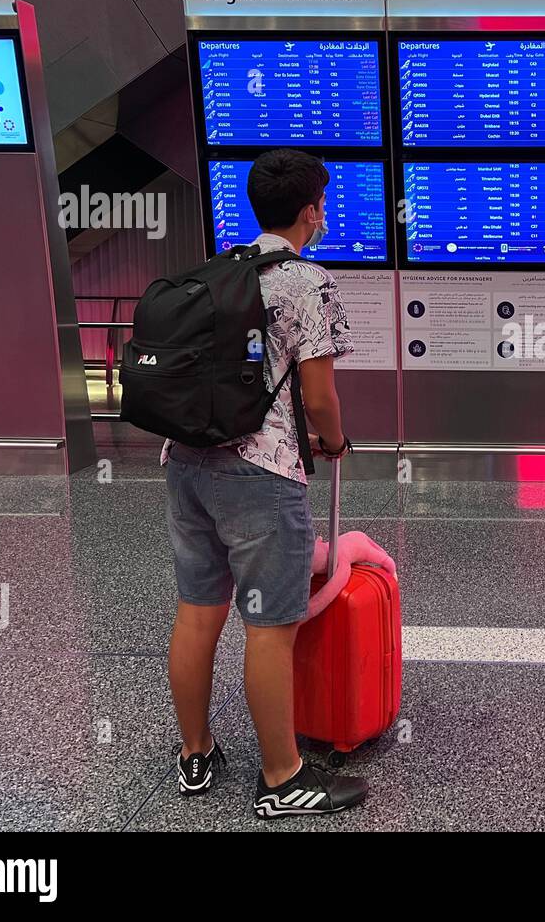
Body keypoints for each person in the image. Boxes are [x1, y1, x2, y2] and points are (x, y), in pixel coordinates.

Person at [162, 148, 373, 820]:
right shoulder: (305, 280)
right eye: (323, 204)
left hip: (186, 461)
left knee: (199, 611)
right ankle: (282, 778)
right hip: (260, 472)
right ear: (312, 211)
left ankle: (195, 752)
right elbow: (318, 395)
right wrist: (334, 440)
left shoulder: (220, 266)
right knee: (270, 626)